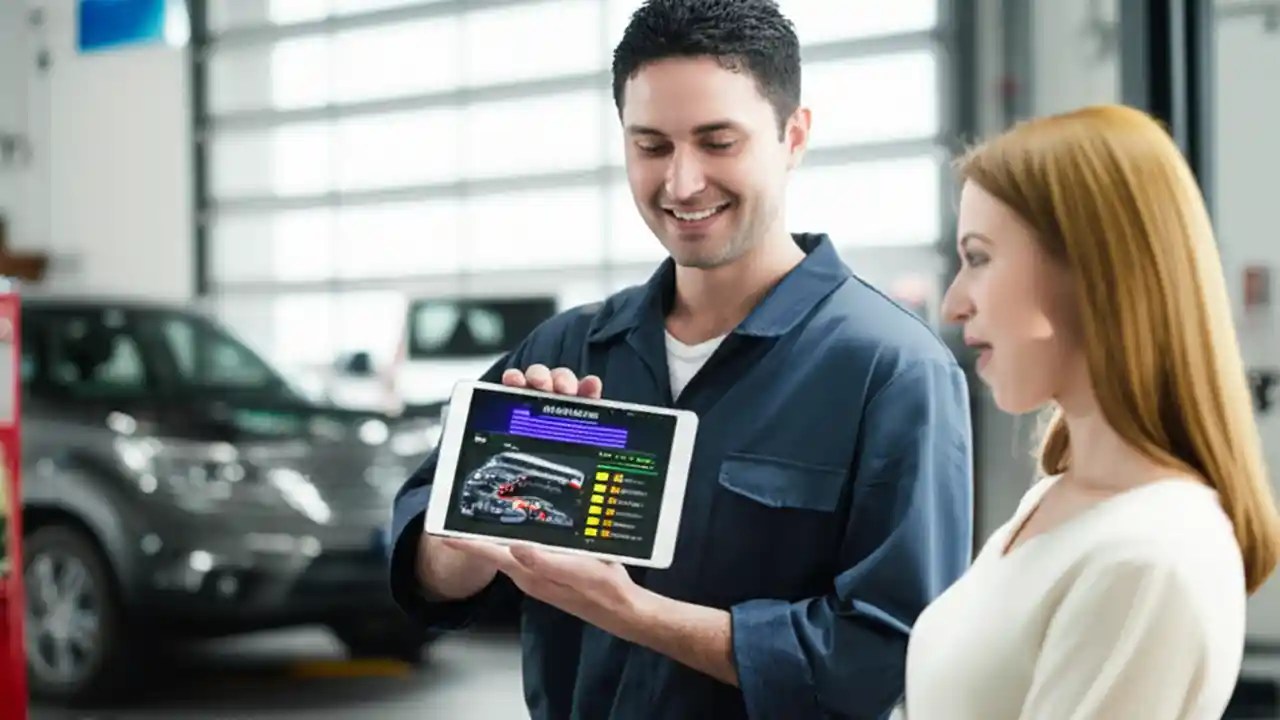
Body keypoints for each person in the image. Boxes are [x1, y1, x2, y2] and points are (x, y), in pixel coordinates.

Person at [388, 0, 974, 717]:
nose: (682, 183)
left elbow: (887, 656)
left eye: (717, 141)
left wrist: (634, 612)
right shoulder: (563, 353)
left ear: (794, 136)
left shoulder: (890, 371)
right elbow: (429, 576)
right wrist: (481, 525)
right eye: (653, 146)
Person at [894, 104, 1280, 719]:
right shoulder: (1054, 501)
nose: (954, 303)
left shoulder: (1148, 559)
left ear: (1089, 270)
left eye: (980, 257)